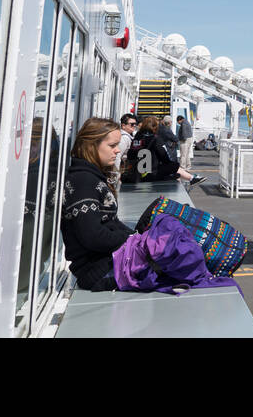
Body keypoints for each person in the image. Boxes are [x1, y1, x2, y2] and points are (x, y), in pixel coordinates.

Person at [61, 118, 134, 291]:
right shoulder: (83, 181)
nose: (117, 150)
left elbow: (111, 222)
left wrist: (138, 237)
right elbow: (93, 236)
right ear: (92, 145)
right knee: (178, 260)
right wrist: (131, 240)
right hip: (99, 271)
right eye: (112, 145)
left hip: (106, 264)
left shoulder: (91, 177)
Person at [123, 116, 204, 186]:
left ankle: (191, 178)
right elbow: (164, 157)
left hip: (137, 172)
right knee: (173, 166)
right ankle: (191, 178)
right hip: (150, 173)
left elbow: (130, 155)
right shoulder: (155, 138)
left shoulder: (137, 137)